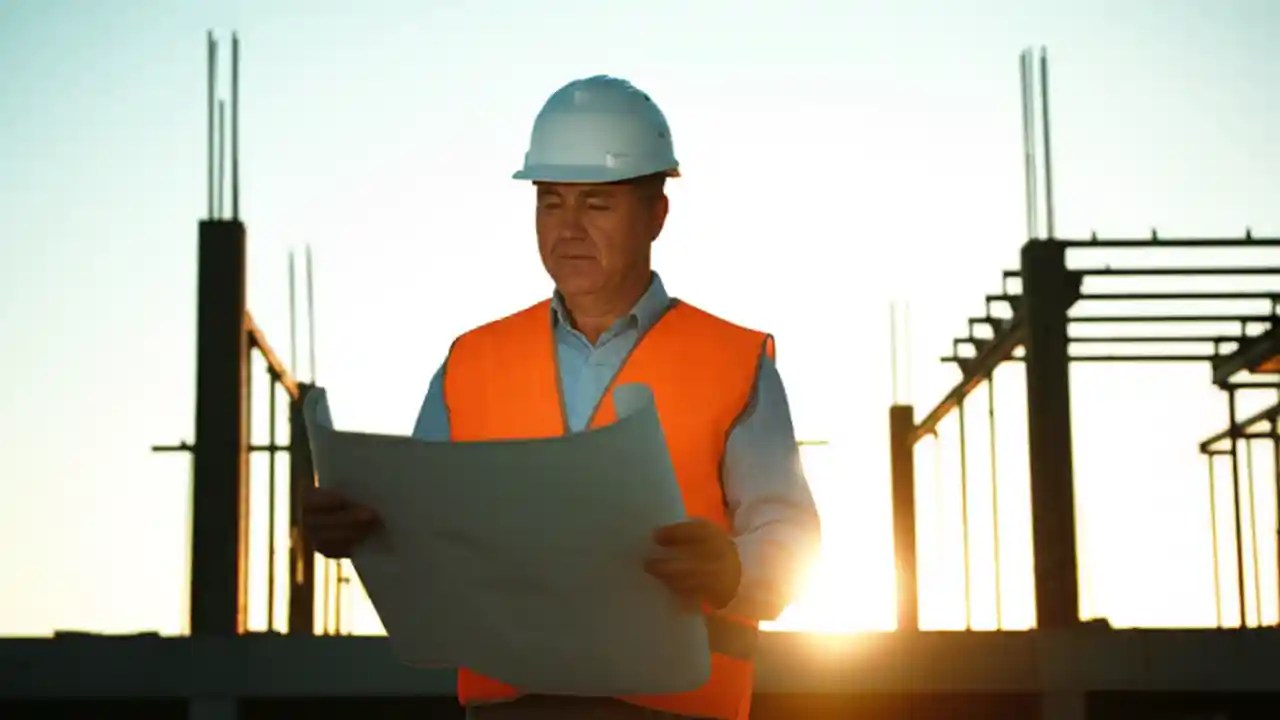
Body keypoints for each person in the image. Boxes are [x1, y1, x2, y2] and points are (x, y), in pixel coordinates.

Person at [303, 75, 821, 720]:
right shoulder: (472, 361)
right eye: (551, 202)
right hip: (511, 709)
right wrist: (360, 529)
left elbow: (790, 533)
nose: (569, 228)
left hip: (675, 706)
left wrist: (735, 572)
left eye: (596, 204)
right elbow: (426, 527)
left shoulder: (733, 361)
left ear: (656, 214)